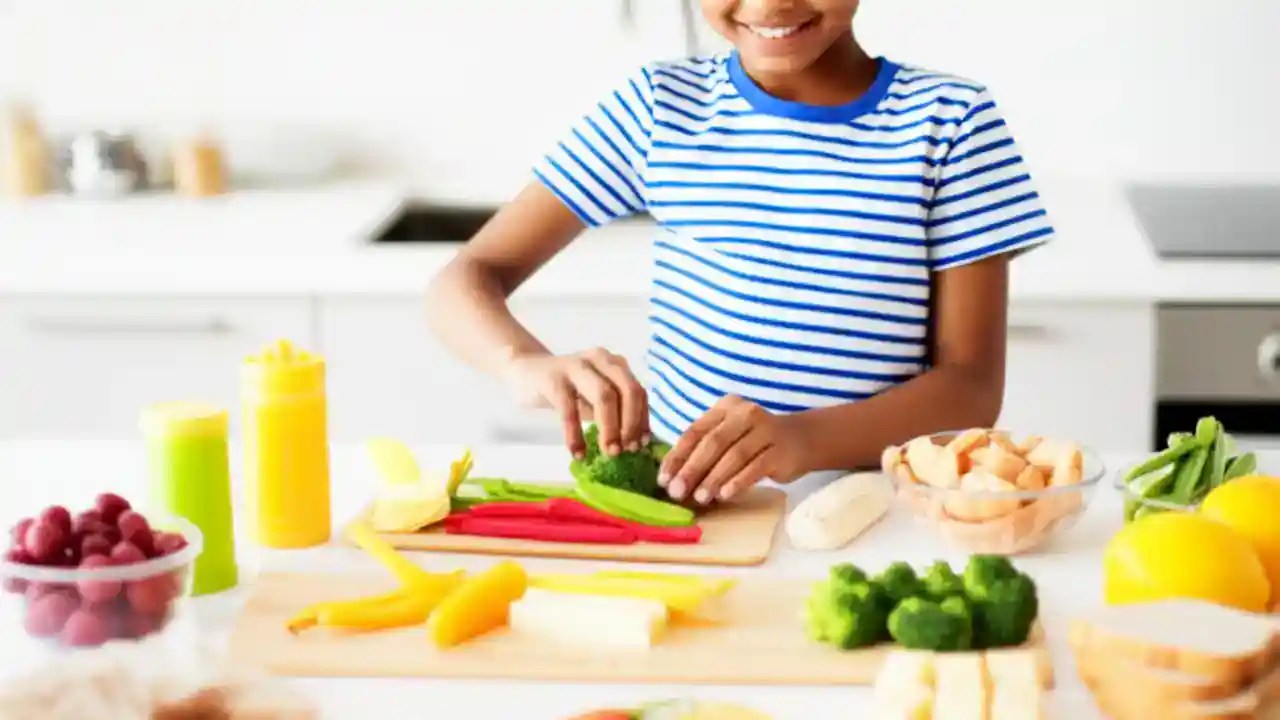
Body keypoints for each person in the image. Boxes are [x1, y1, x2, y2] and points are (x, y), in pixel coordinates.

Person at [427, 0, 1054, 507]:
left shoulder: (952, 121)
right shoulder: (659, 107)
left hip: (869, 508)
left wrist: (800, 439)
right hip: (685, 505)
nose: (770, 3)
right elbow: (466, 275)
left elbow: (971, 388)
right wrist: (523, 365)